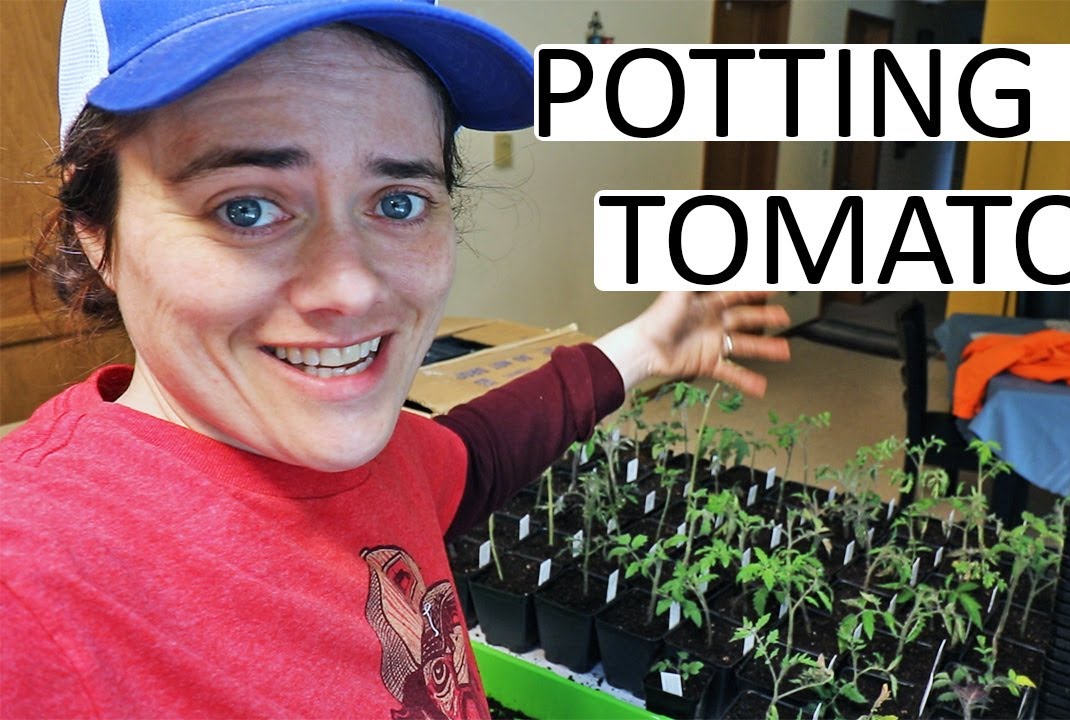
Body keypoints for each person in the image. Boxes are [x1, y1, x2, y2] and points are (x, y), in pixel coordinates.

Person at [0, 1, 790, 717]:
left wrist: (643, 347)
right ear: (94, 228)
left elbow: (469, 461)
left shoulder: (382, 461)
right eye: (246, 207)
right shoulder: (36, 588)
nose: (350, 286)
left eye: (399, 201)